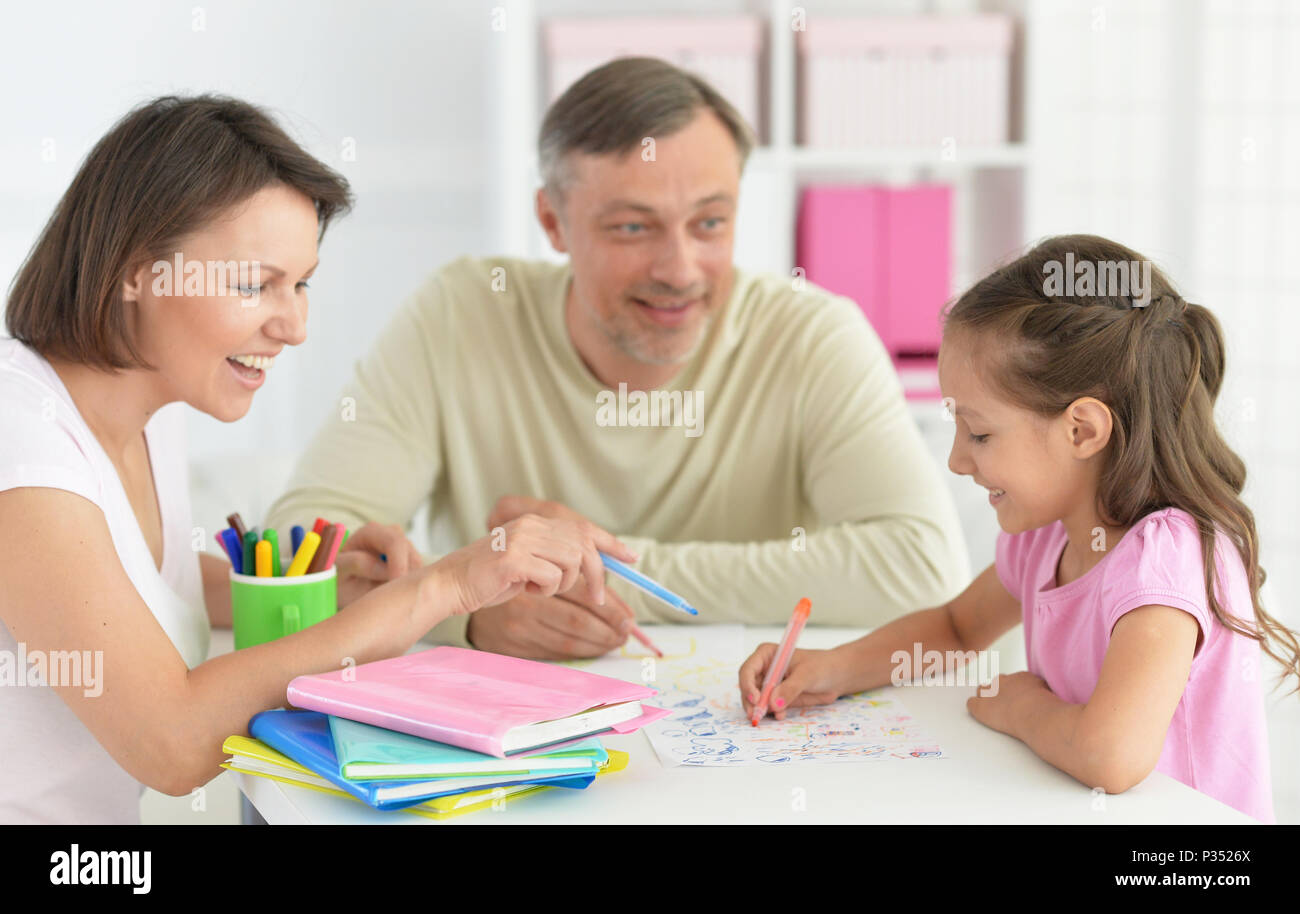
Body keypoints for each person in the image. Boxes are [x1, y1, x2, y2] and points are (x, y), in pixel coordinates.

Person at [0, 94, 634, 824]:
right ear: (136, 272)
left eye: (301, 284)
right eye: (254, 284)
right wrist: (438, 589)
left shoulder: (146, 409)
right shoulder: (22, 438)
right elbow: (171, 744)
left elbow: (127, 592)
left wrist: (319, 592)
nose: (294, 326)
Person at [266, 56, 970, 660]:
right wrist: (469, 611)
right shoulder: (461, 315)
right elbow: (295, 554)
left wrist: (591, 568)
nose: (680, 268)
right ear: (553, 222)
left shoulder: (814, 337)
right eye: (634, 227)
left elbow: (921, 568)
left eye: (710, 223)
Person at [739, 234, 1300, 823]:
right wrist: (830, 667)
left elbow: (1111, 756)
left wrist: (1021, 708)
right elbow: (957, 627)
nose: (957, 460)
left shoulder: (1164, 558)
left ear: (1082, 430)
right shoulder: (1047, 536)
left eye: (979, 434)